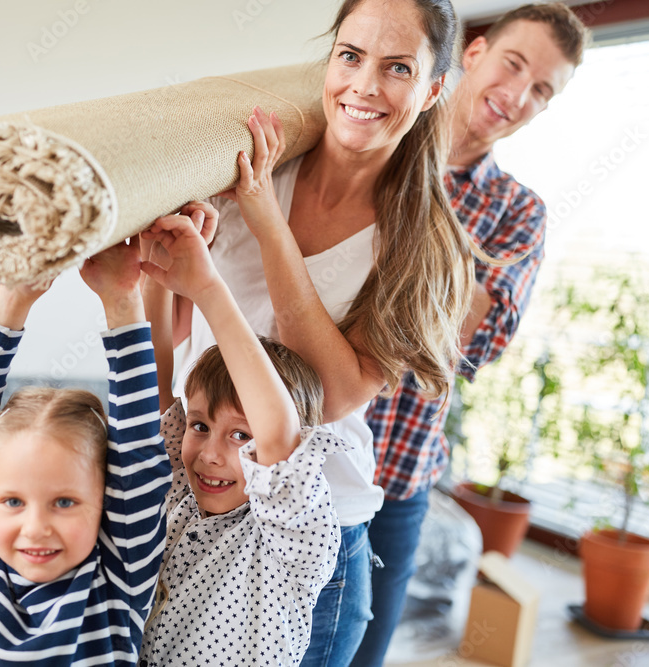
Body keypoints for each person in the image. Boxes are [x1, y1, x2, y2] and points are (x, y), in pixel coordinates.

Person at [166, 0, 474, 663]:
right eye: (350, 56)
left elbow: (328, 397)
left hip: (314, 538)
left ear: (433, 90)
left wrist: (267, 223)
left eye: (398, 68)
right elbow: (182, 336)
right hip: (205, 505)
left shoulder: (423, 244)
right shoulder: (249, 166)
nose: (364, 87)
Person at [354, 4, 588, 666]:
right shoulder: (373, 139)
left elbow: (476, 338)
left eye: (543, 90)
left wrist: (406, 262)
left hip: (398, 479)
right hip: (295, 453)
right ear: (475, 51)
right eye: (515, 65)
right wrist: (450, 281)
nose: (518, 95)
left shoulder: (519, 211)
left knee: (364, 652)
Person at [0, 239, 172, 666]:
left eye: (64, 502)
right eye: (12, 502)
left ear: (106, 500)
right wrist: (13, 296)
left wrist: (121, 301)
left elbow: (138, 453)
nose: (35, 527)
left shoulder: (117, 574)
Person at [137, 212, 347, 666]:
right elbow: (152, 394)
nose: (209, 455)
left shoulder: (291, 538)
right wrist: (153, 273)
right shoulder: (181, 493)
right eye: (200, 426)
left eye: (240, 436)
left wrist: (208, 289)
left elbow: (277, 437)